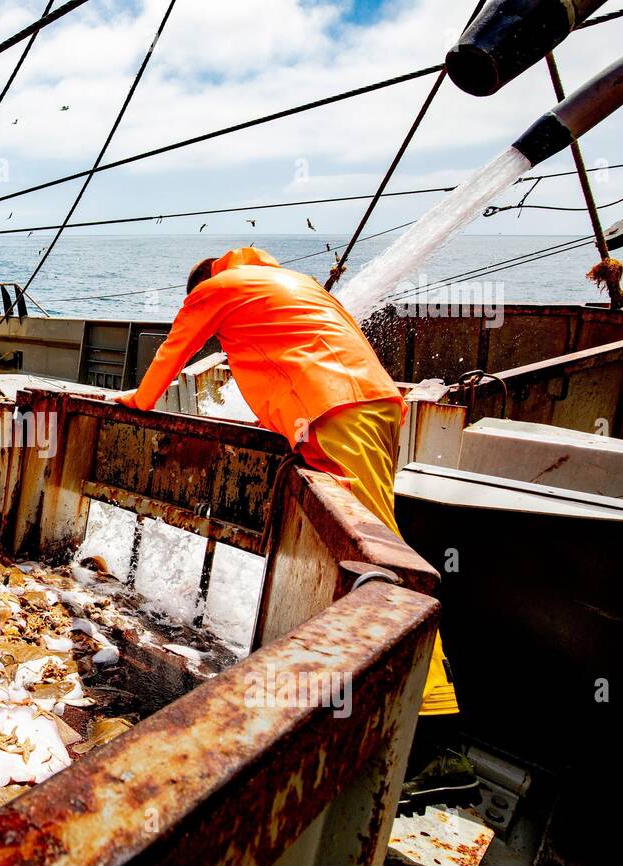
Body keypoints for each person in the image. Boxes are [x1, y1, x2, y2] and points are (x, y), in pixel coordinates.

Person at [115, 248, 472, 811]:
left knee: (381, 565)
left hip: (339, 414)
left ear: (203, 283)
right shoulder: (293, 284)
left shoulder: (218, 288)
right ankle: (404, 719)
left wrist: (137, 401)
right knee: (373, 541)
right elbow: (301, 354)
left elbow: (173, 350)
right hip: (371, 407)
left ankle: (439, 747)